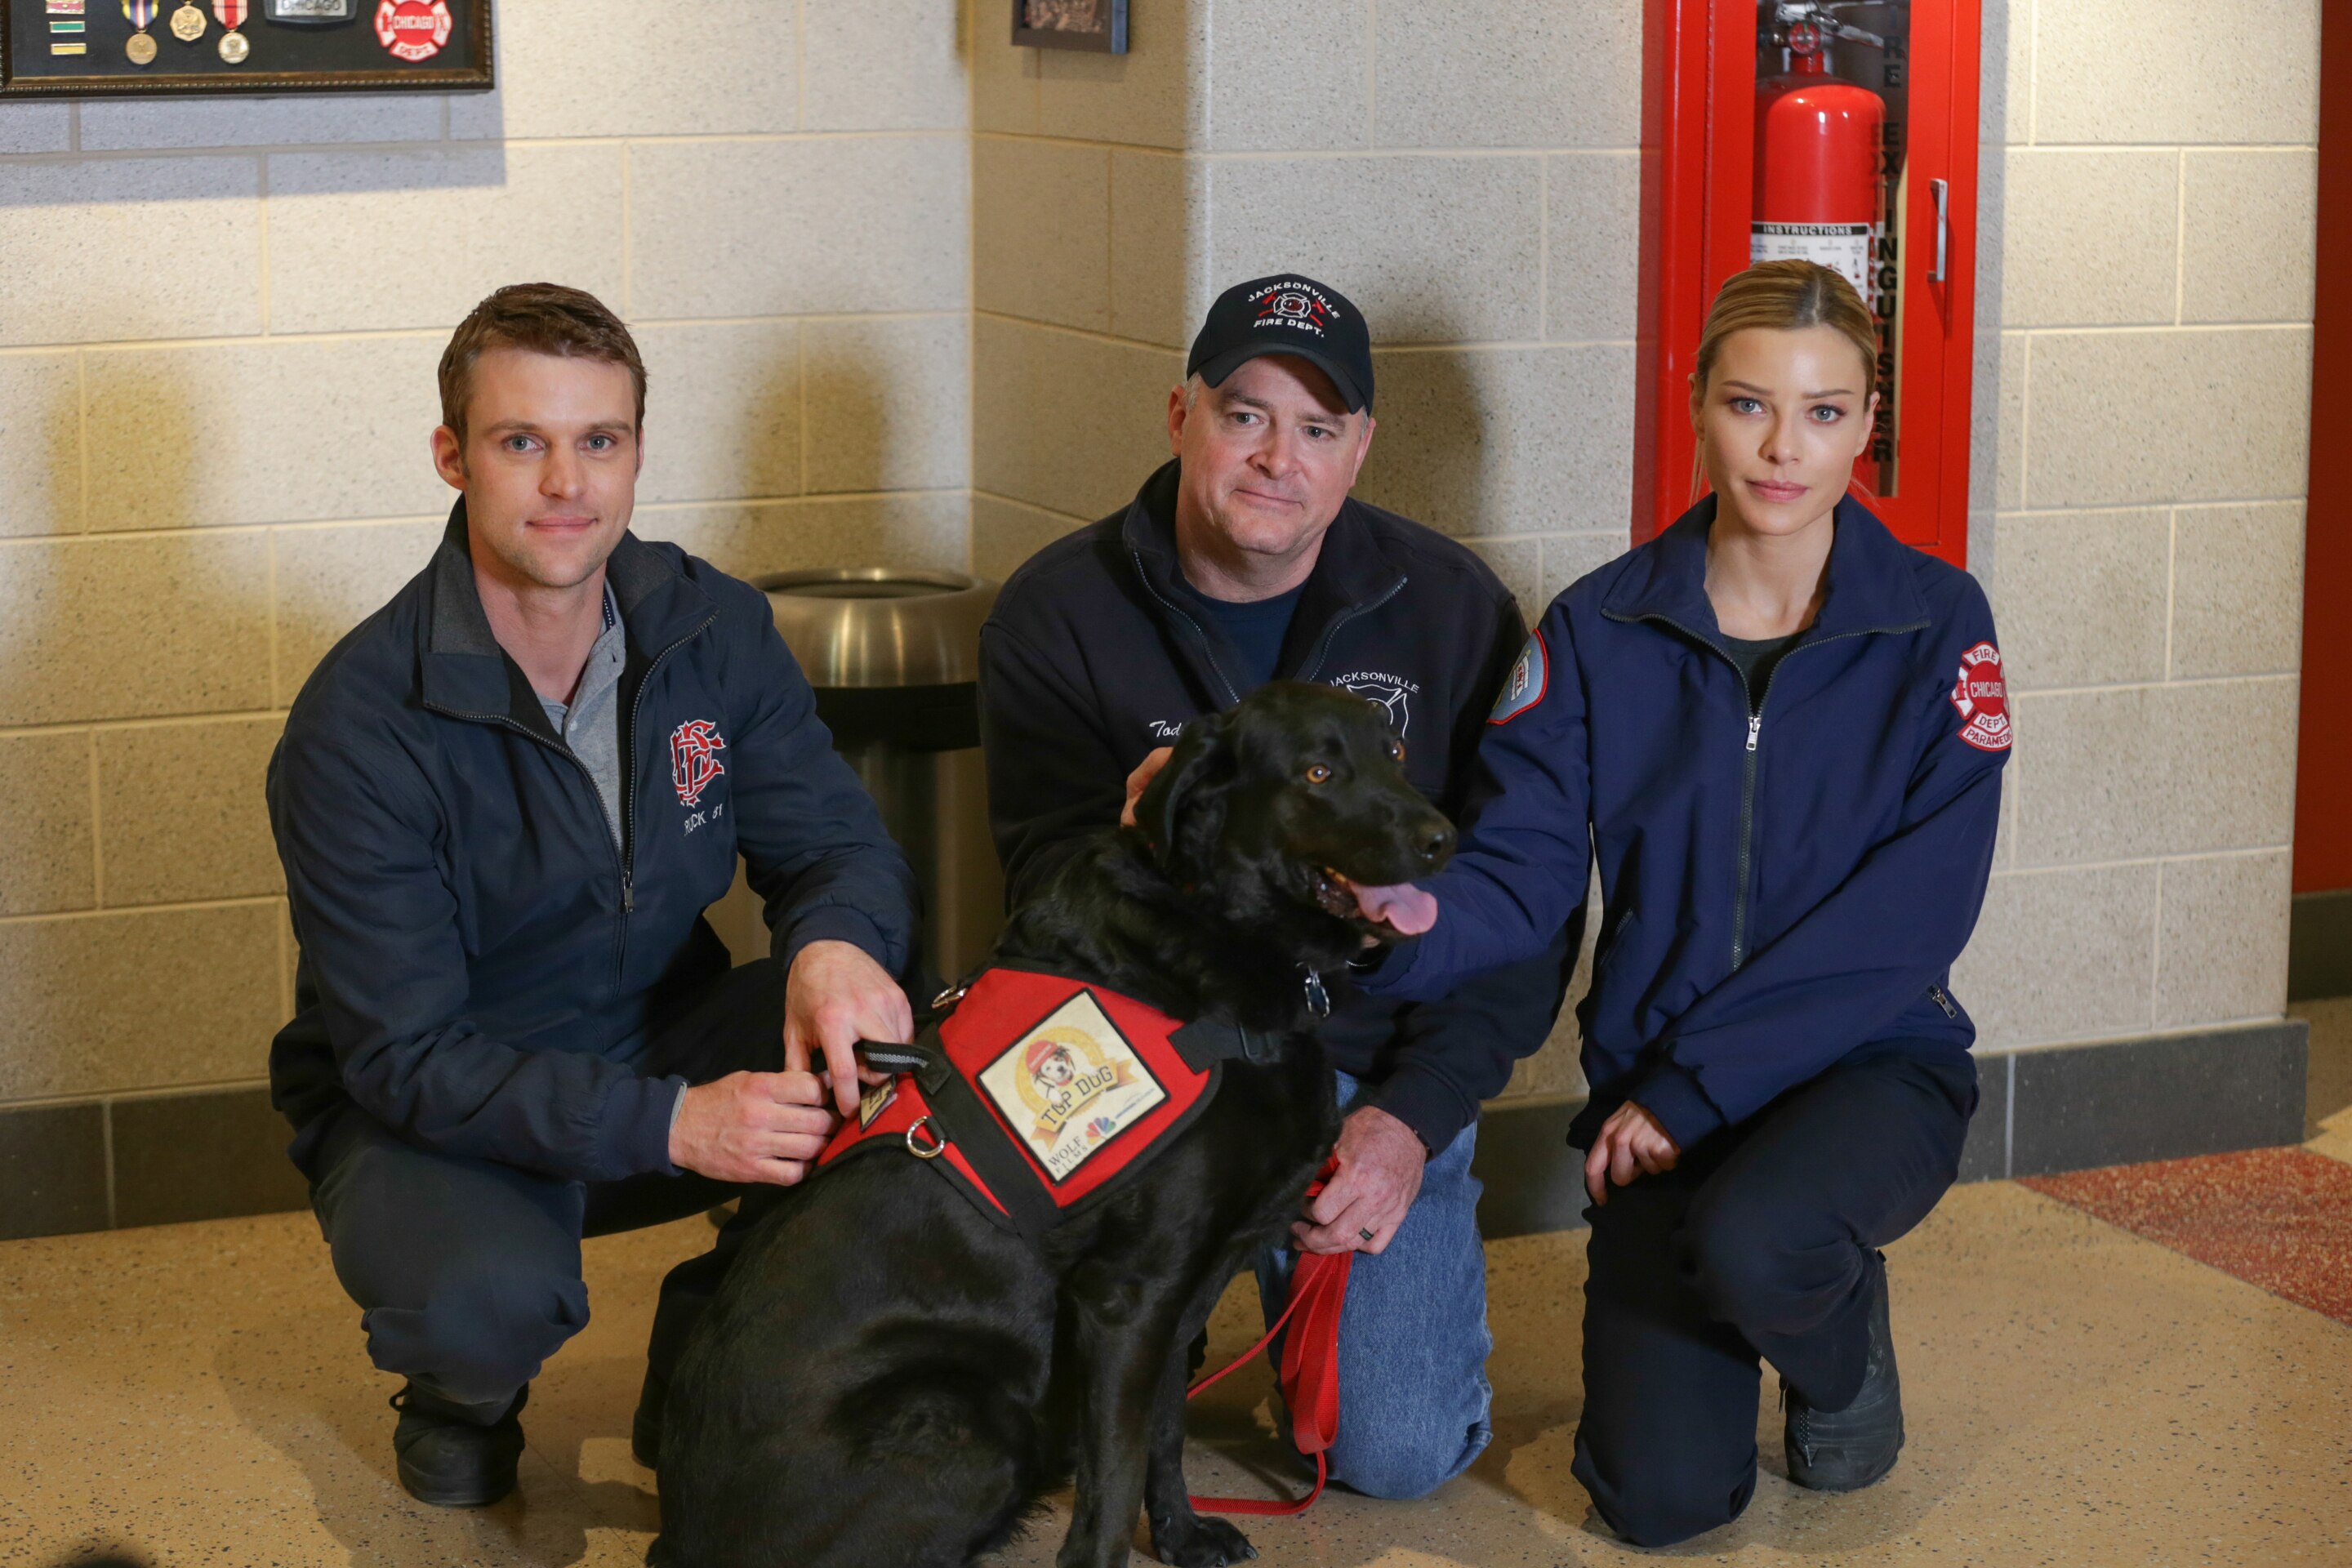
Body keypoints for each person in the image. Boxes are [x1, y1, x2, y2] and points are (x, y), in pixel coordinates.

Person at [1355, 259, 2007, 1544]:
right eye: (1749, 404)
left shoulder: (1937, 626)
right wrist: (1416, 925)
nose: (1783, 448)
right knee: (1657, 1504)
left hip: (1868, 1068)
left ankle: (1839, 1344)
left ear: (1869, 423)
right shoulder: (1601, 627)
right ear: (1696, 401)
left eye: (1825, 412)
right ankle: (1761, 1276)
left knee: (1762, 1241)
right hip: (1657, 1088)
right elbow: (1525, 866)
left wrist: (1691, 1091)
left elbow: (1912, 920)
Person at [266, 283, 919, 1508]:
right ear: (453, 456)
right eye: (524, 442)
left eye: (599, 441)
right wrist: (675, 1128)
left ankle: (720, 1342)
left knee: (889, 1032)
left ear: (634, 453)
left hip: (657, 1029)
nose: (568, 483)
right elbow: (405, 1055)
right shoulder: (358, 722)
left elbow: (837, 847)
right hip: (435, 1100)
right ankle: (464, 1393)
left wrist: (833, 945)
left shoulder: (708, 624)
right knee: (486, 1302)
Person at [978, 273, 1576, 1499]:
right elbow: (1044, 897)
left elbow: (1519, 916)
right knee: (1038, 1431)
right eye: (1245, 415)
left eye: (1317, 428)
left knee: (1395, 1453)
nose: (1275, 460)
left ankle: (1302, 1279)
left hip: (1366, 1065)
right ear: (1180, 414)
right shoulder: (1057, 610)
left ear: (1360, 448)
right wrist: (1149, 839)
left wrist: (1413, 1120)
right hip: (1158, 1051)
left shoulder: (1454, 610)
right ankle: (1167, 1285)